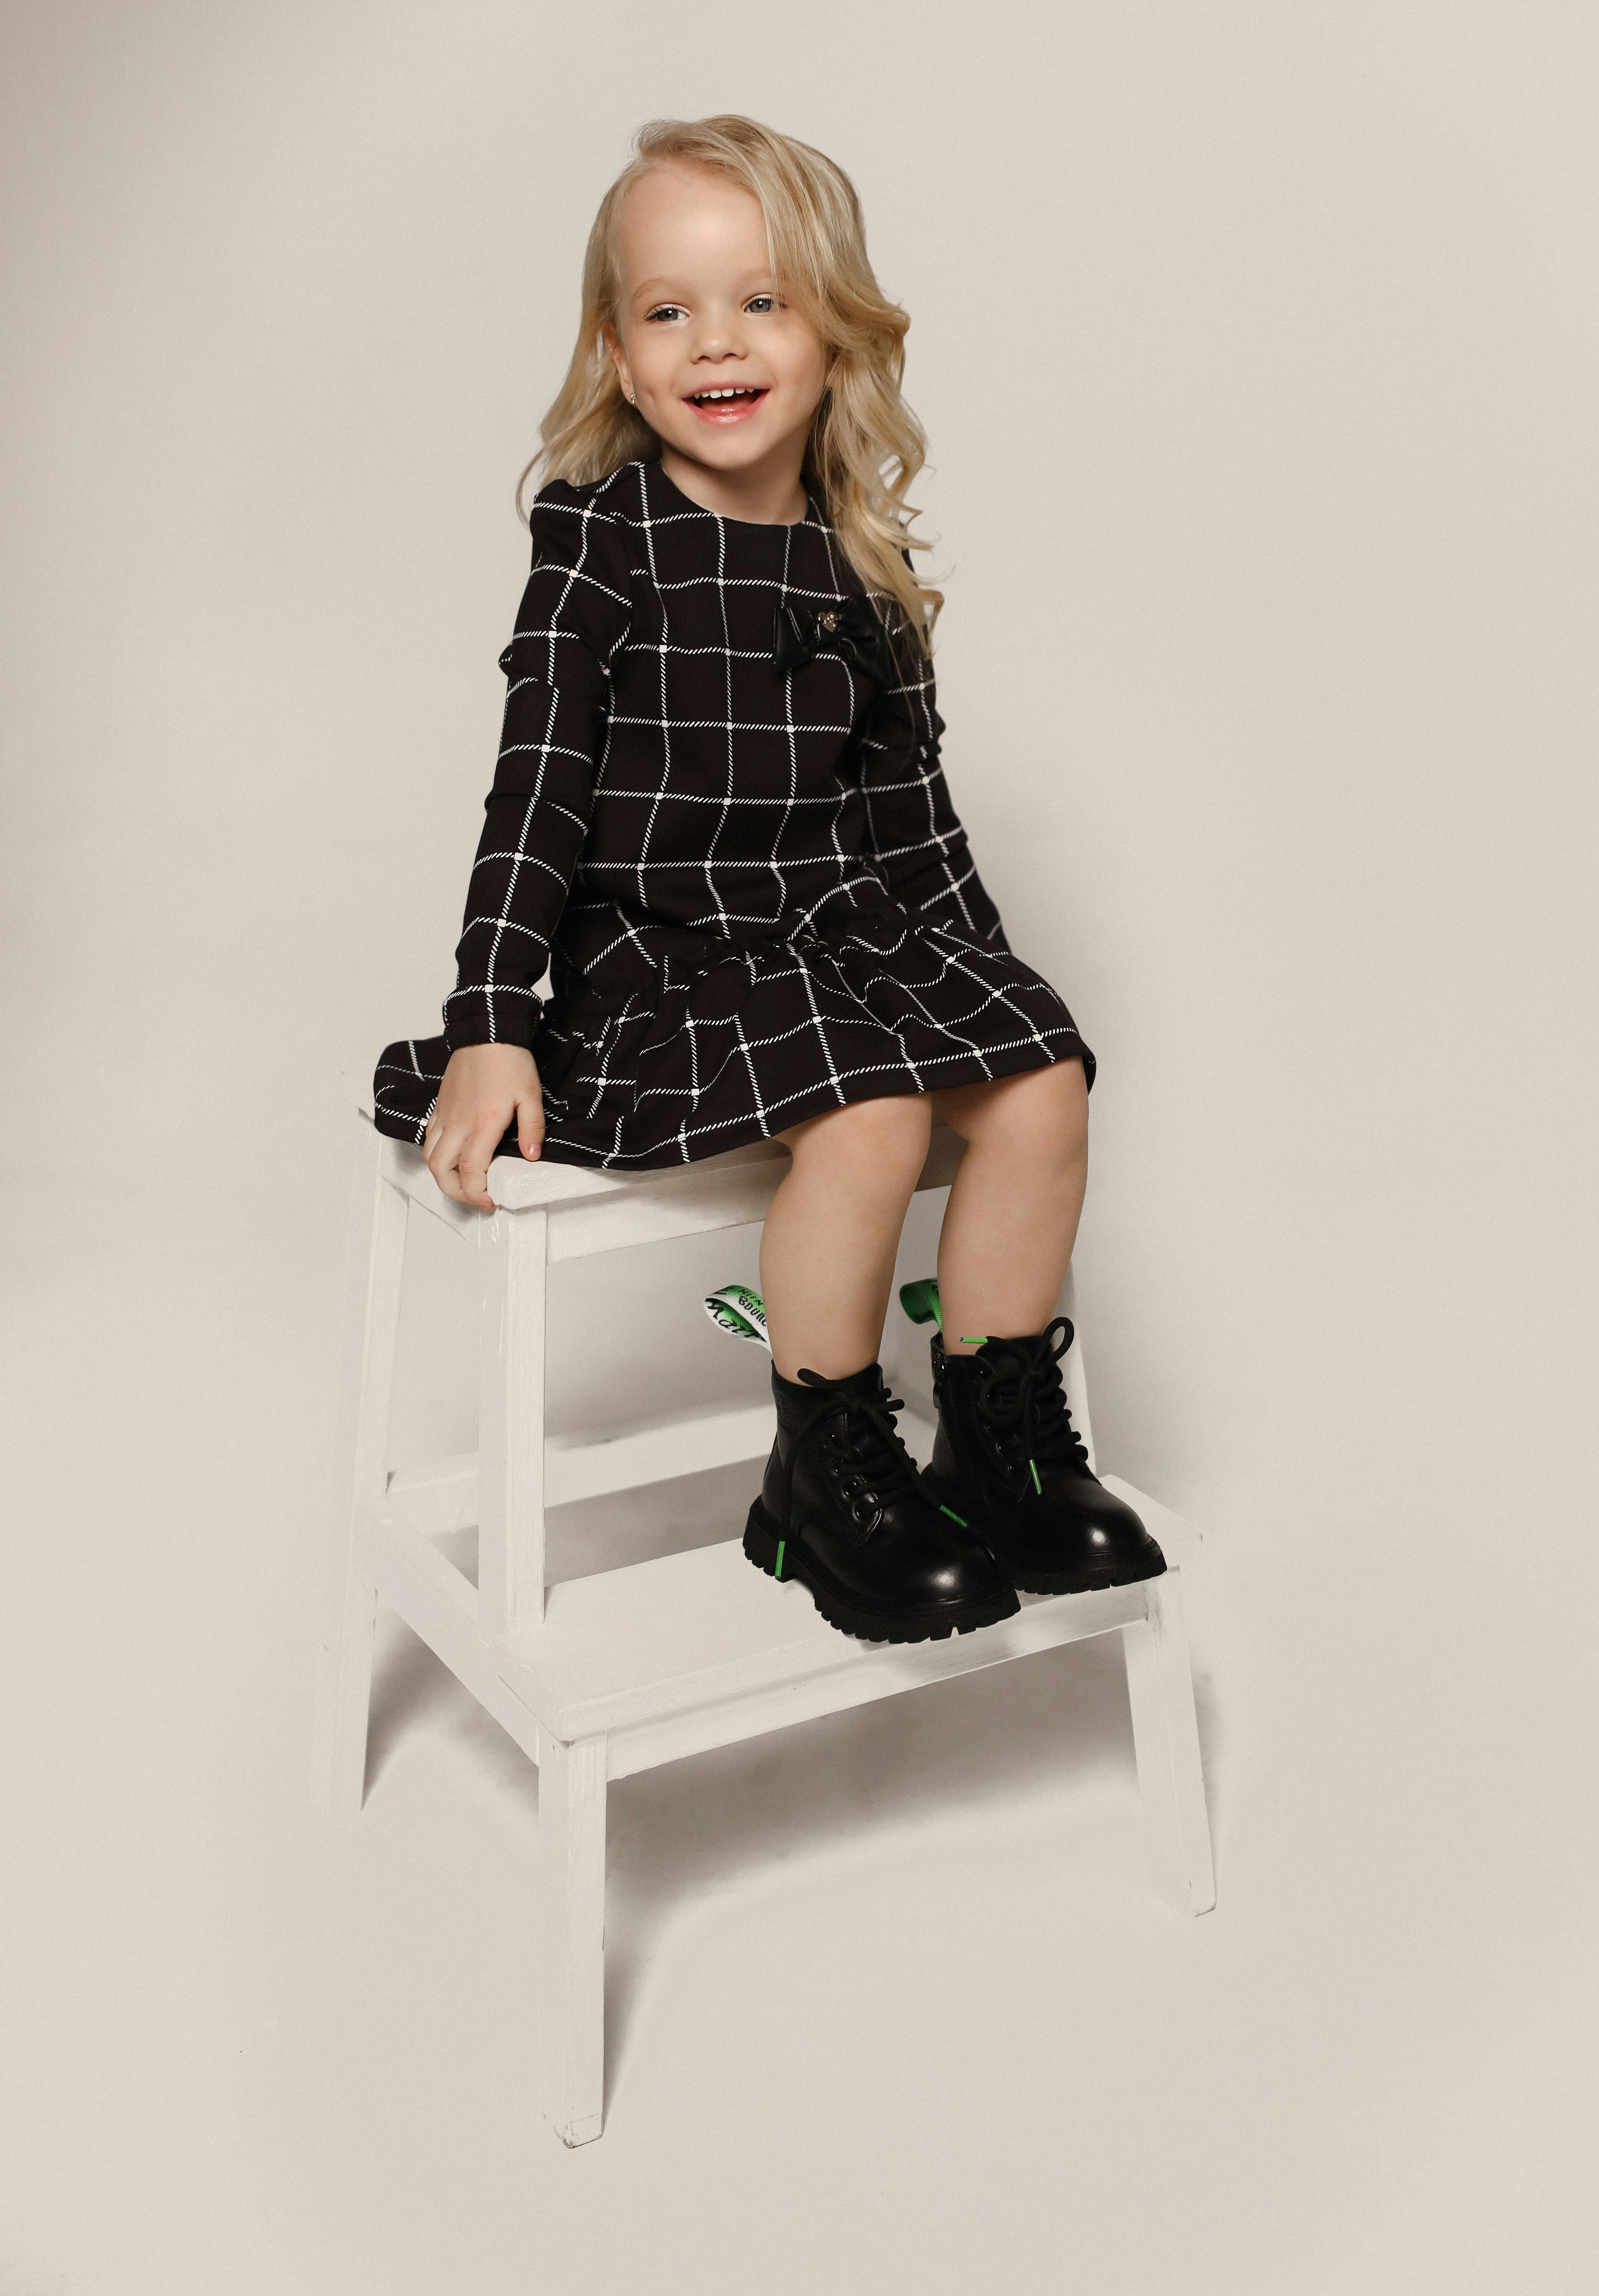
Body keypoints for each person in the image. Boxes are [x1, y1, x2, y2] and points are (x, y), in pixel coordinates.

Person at [374, 115, 1164, 1645]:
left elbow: (916, 827)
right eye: (669, 310)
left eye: (761, 301)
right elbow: (533, 792)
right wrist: (491, 1014)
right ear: (615, 347)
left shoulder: (856, 566)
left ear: (835, 333)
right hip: (660, 960)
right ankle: (824, 1463)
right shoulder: (605, 545)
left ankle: (998, 1449)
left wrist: (987, 1012)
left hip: (836, 937)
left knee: (1047, 1076)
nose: (714, 343)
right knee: (867, 1113)